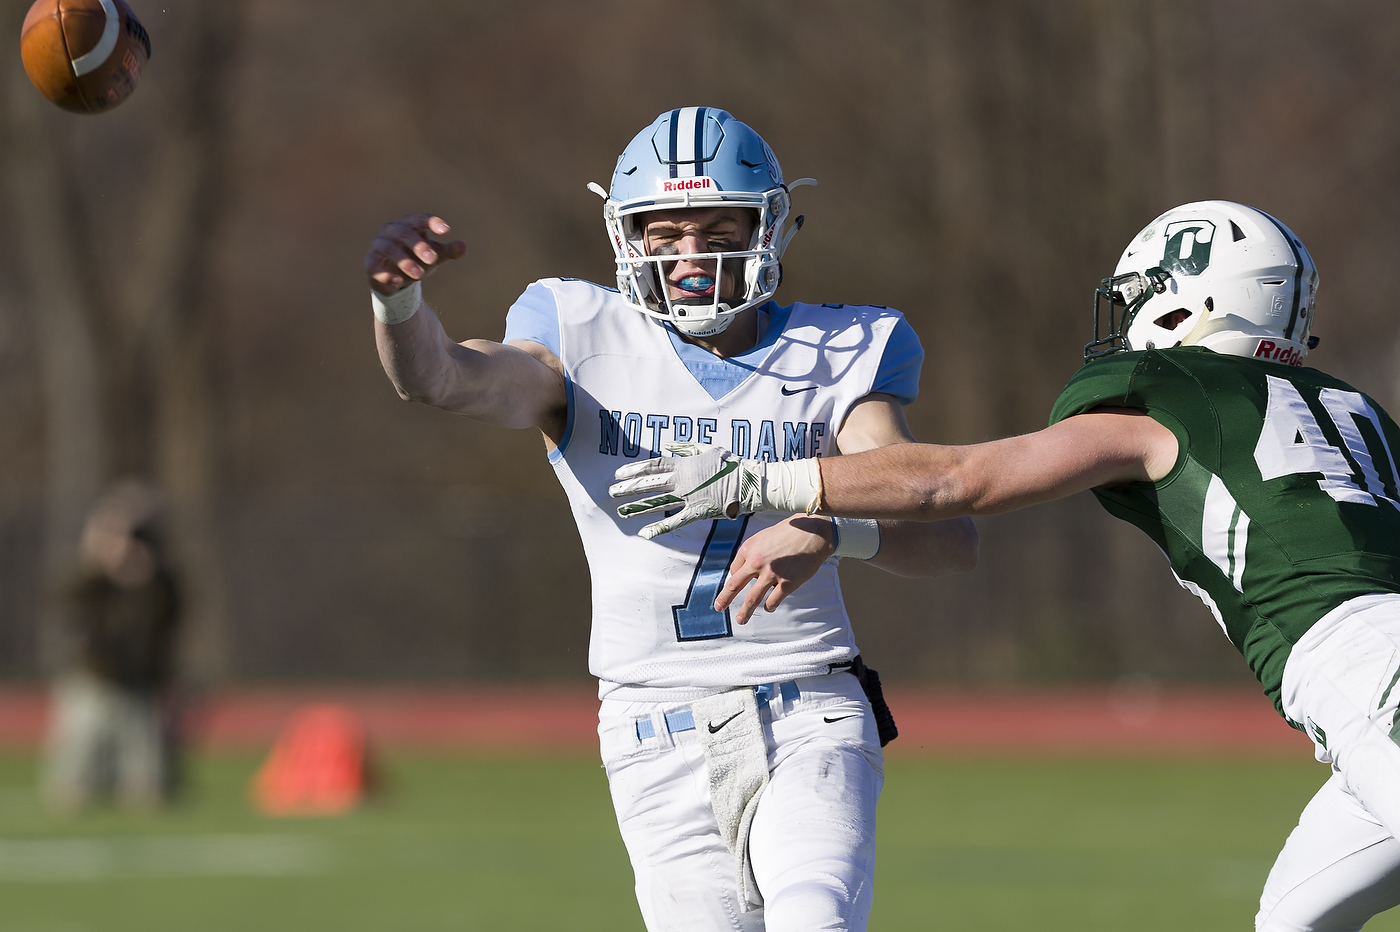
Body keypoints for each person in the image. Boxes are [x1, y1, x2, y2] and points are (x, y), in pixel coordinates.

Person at [610, 199, 1400, 930]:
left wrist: (757, 480)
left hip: (1360, 663)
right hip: (1364, 669)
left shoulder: (1170, 390)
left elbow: (955, 483)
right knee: (1297, 917)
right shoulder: (1356, 410)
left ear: (1194, 298)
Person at [364, 107, 977, 932]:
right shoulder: (578, 333)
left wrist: (837, 528)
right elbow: (443, 379)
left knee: (815, 917)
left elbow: (946, 533)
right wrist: (399, 304)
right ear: (628, 238)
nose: (691, 256)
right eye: (666, 232)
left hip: (808, 702)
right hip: (651, 723)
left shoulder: (840, 349)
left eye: (718, 230)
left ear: (768, 230)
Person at [44, 480, 182, 811]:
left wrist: (141, 580)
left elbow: (164, 621)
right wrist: (98, 562)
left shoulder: (160, 584)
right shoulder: (90, 581)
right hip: (95, 680)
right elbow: (65, 604)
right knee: (74, 779)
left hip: (141, 685)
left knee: (146, 785)